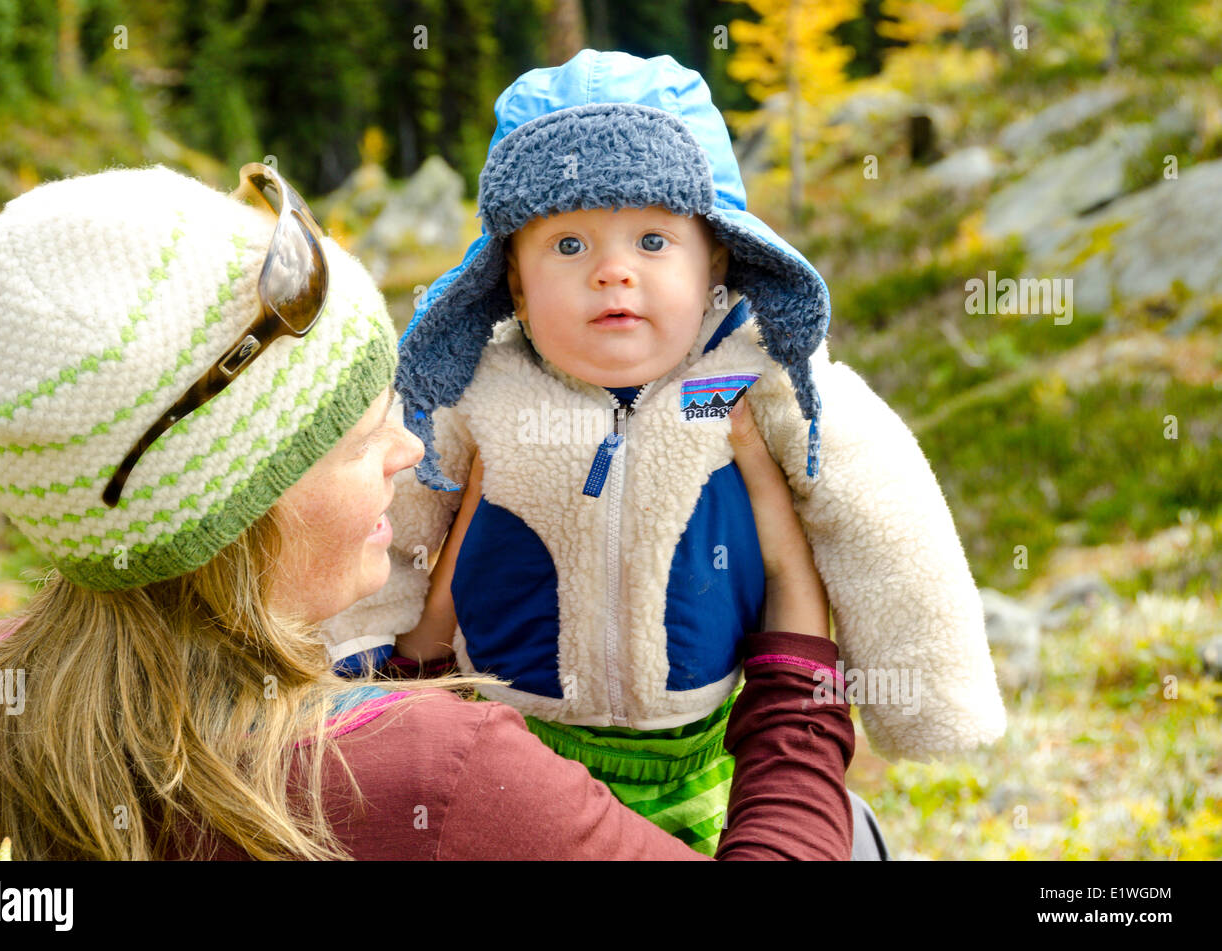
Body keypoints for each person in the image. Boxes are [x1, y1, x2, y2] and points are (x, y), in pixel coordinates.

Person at [0, 162, 857, 860]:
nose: (410, 453)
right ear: (235, 511)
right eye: (359, 437)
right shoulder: (433, 775)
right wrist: (799, 666)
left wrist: (424, 640)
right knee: (851, 833)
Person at [320, 49, 1004, 855]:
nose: (614, 273)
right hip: (508, 761)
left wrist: (927, 689)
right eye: (568, 246)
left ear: (716, 255)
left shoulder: (760, 383)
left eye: (652, 239)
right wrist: (359, 674)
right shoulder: (474, 395)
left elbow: (879, 510)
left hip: (710, 760)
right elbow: (387, 522)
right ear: (511, 280)